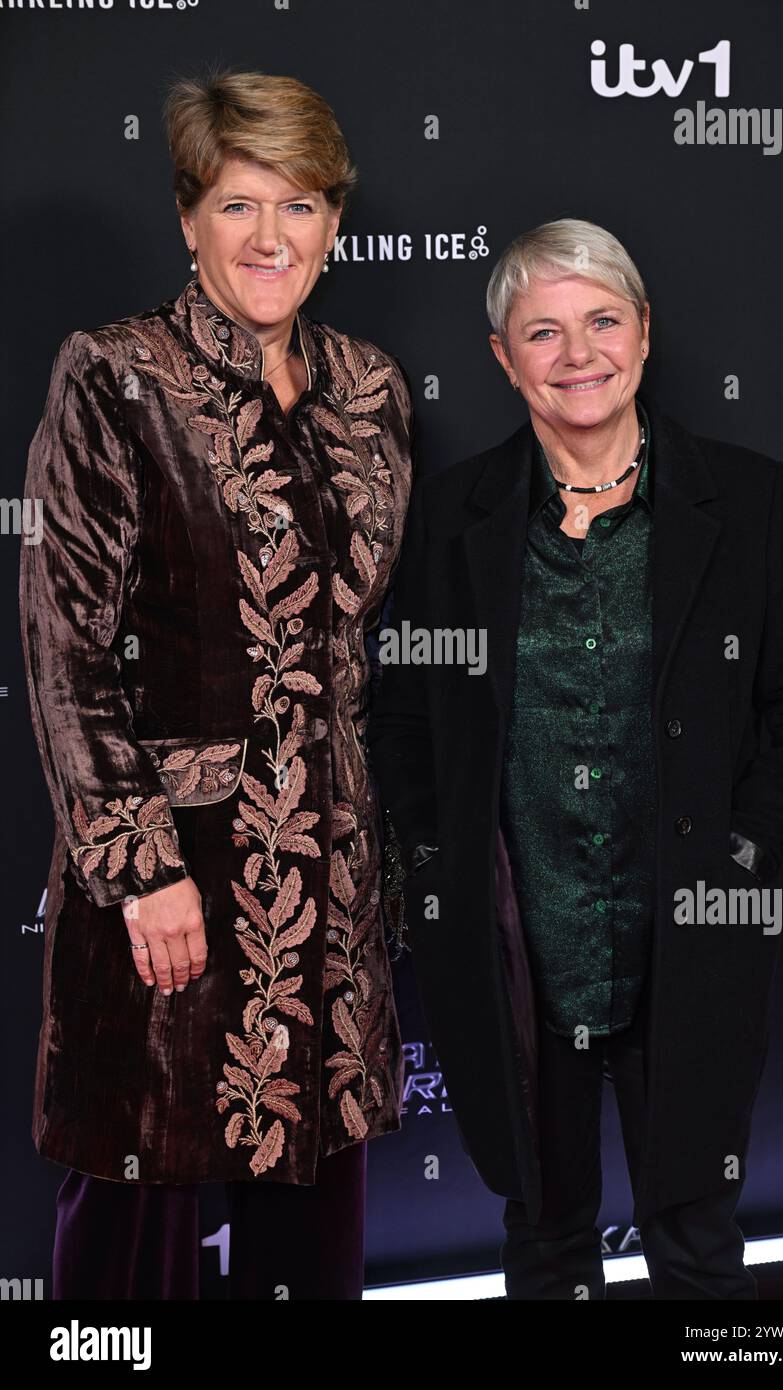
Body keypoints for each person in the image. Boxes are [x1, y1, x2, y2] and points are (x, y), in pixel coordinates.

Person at [368, 217, 783, 1299]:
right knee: (541, 1238)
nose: (576, 352)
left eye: (600, 321)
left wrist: (741, 859)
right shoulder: (454, 517)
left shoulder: (745, 500)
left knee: (691, 1240)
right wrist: (438, 859)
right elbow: (402, 721)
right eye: (541, 331)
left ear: (643, 334)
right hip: (516, 954)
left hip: (684, 943)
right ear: (502, 358)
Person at [19, 69, 413, 1301]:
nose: (269, 238)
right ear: (188, 218)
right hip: (174, 881)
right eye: (239, 204)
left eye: (298, 206)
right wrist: (138, 870)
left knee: (312, 1211)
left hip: (329, 887)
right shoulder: (114, 376)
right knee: (137, 1214)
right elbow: (66, 642)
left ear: (335, 226)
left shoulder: (370, 388)